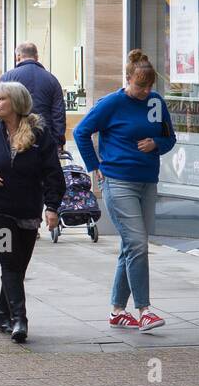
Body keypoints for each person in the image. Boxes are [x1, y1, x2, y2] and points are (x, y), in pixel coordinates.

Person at [73, 50, 178, 333]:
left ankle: (117, 311)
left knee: (130, 246)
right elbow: (81, 132)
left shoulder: (155, 102)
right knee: (138, 244)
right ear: (127, 78)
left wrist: (156, 143)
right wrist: (94, 166)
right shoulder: (111, 103)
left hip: (147, 181)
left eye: (149, 86)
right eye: (139, 85)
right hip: (118, 181)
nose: (145, 92)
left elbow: (170, 137)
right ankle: (144, 310)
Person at [0, 82, 65, 342]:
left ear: (16, 103)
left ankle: (3, 313)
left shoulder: (38, 133)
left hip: (28, 211)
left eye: (1, 99)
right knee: (9, 260)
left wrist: (52, 206)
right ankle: (20, 320)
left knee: (17, 266)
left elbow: (53, 172)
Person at [0, 41, 66, 151]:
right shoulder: (52, 80)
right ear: (37, 57)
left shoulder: (7, 78)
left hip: (14, 138)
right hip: (45, 139)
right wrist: (58, 141)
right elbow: (58, 113)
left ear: (18, 56)